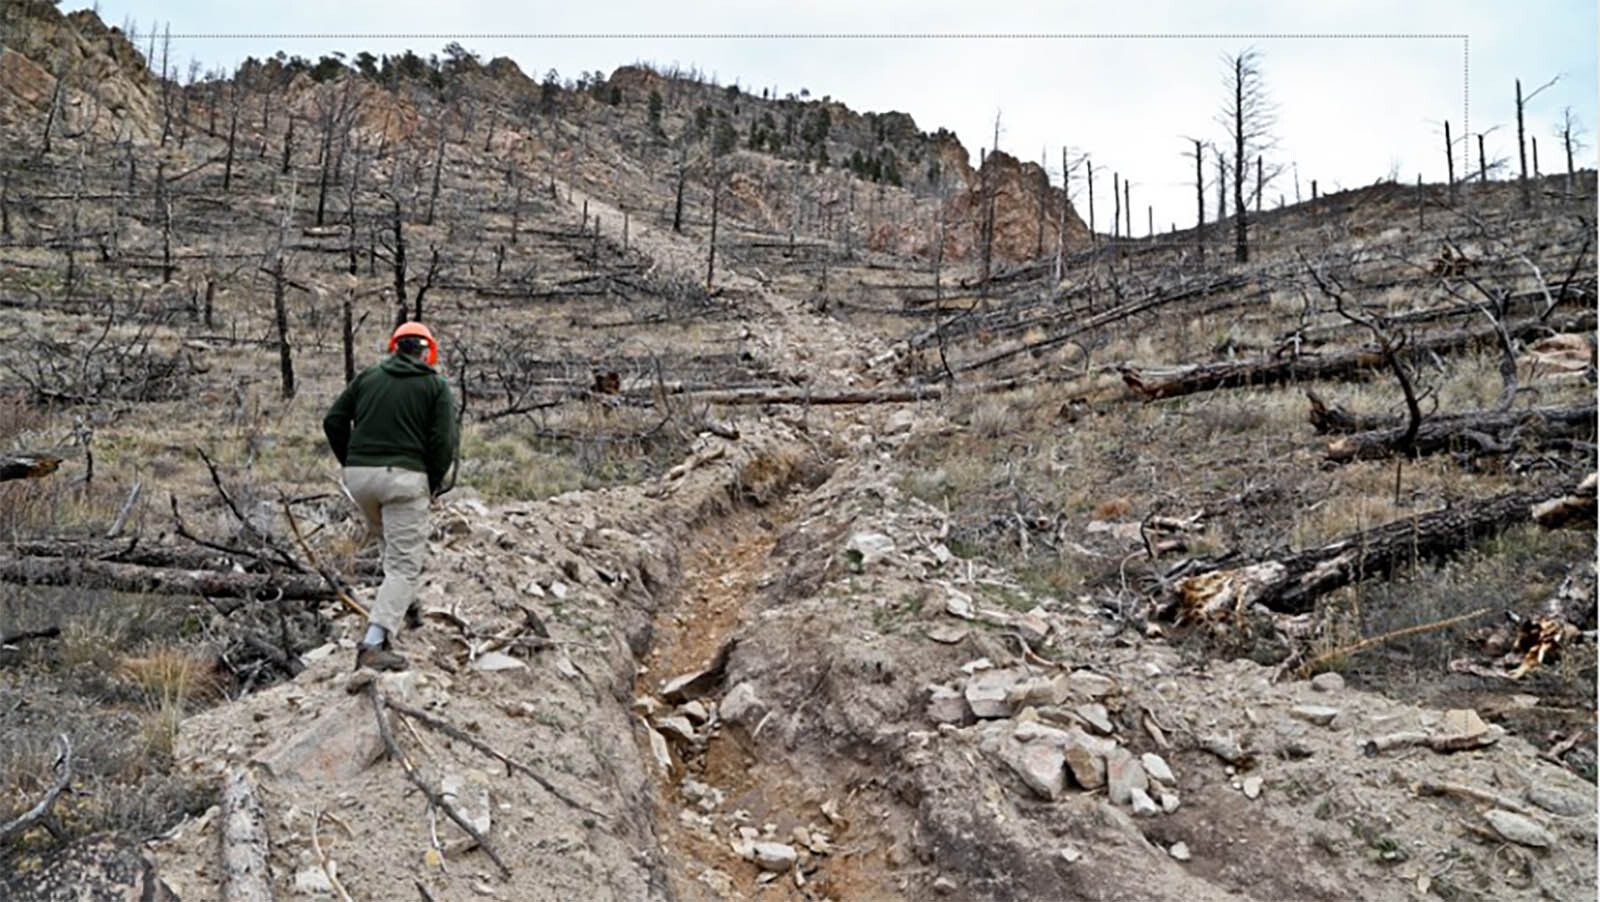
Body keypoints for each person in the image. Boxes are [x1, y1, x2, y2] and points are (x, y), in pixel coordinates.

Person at [322, 321, 456, 671]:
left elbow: (333, 420)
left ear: (394, 347)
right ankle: (372, 644)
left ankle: (407, 608)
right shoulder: (435, 385)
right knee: (404, 564)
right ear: (426, 352)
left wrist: (352, 460)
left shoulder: (368, 377)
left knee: (388, 542)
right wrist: (433, 481)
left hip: (360, 479)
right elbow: (444, 441)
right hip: (403, 481)